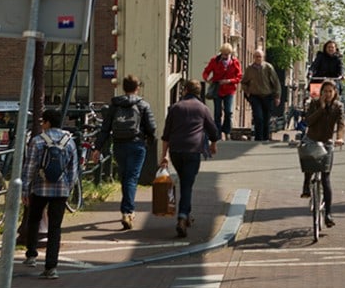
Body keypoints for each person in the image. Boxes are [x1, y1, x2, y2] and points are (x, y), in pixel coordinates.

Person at [94, 74, 157, 230]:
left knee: (124, 177)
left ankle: (127, 209)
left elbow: (105, 128)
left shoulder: (115, 105)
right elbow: (152, 127)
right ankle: (127, 212)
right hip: (137, 145)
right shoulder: (143, 105)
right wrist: (150, 140)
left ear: (124, 87)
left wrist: (97, 148)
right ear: (137, 88)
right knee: (132, 178)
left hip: (119, 145)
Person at [21, 108, 78, 278]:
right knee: (55, 227)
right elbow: (73, 169)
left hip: (40, 188)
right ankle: (51, 267)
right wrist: (68, 187)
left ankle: (31, 255)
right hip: (60, 190)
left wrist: (25, 188)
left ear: (46, 122)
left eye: (42, 121)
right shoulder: (69, 141)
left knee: (34, 219)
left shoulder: (38, 141)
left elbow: (30, 167)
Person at [159, 79, 221, 237]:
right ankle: (182, 216)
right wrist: (213, 144)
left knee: (184, 181)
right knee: (187, 184)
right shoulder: (202, 108)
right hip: (193, 150)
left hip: (176, 150)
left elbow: (166, 134)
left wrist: (164, 155)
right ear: (198, 92)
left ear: (185, 90)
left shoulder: (175, 108)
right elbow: (213, 130)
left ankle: (187, 215)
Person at [300, 80, 345, 228]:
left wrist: (339, 137)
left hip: (327, 141)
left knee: (326, 177)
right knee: (308, 161)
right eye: (325, 91)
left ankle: (328, 214)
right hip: (312, 139)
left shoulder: (338, 106)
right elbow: (309, 122)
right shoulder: (314, 104)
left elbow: (341, 123)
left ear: (334, 93)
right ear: (321, 93)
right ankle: (306, 184)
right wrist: (321, 108)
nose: (327, 94)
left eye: (330, 92)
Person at [201, 43, 242, 139]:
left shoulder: (235, 62)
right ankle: (217, 134)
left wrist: (229, 81)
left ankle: (226, 130)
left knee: (228, 112)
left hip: (229, 90)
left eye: (227, 55)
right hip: (218, 90)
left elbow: (239, 77)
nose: (224, 57)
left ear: (230, 54)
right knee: (217, 112)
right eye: (223, 54)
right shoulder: (214, 61)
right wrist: (207, 79)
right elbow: (206, 71)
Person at [240, 48, 281, 141]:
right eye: (256, 57)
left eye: (260, 57)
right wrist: (247, 91)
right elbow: (243, 82)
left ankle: (265, 138)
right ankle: (258, 138)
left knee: (266, 118)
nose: (258, 58)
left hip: (267, 95)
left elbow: (276, 82)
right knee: (258, 117)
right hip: (255, 96)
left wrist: (277, 96)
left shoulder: (268, 67)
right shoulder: (249, 69)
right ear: (253, 58)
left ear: (263, 57)